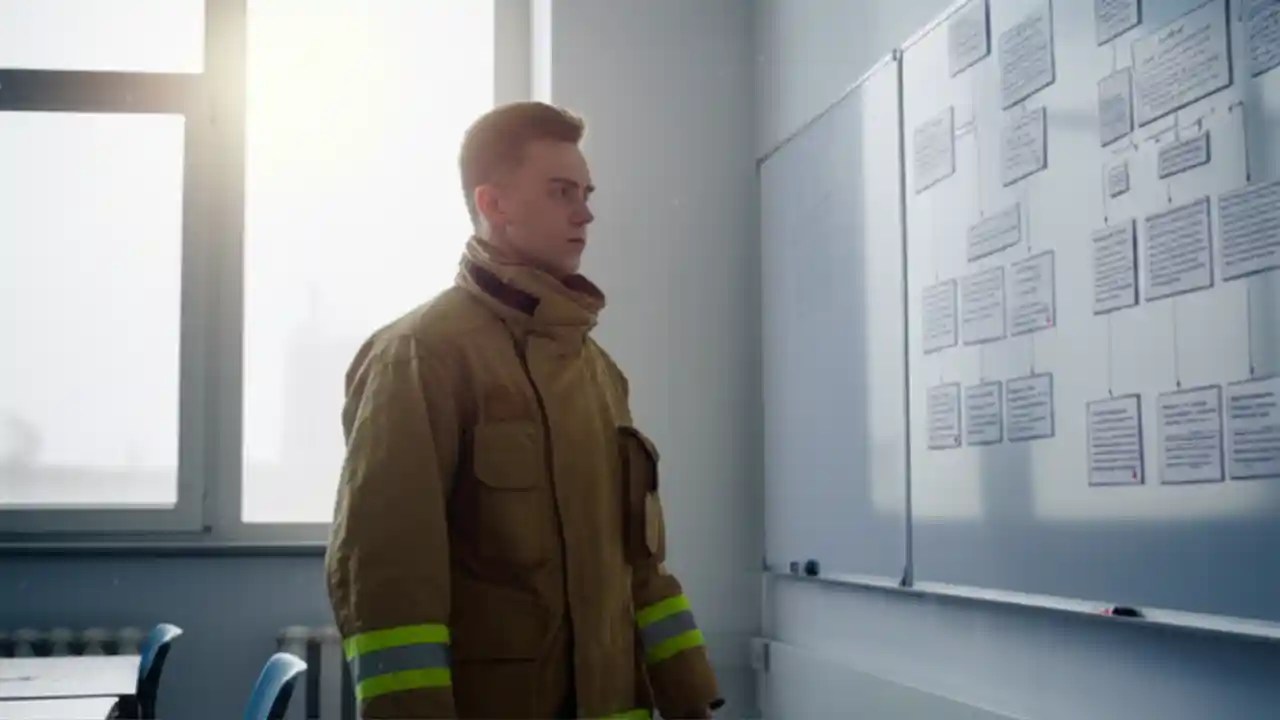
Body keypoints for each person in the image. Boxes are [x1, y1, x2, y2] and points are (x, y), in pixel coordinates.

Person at [325, 101, 723, 719]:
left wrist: (690, 699)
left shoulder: (598, 371)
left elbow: (641, 570)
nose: (586, 213)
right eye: (562, 192)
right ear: (494, 204)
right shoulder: (420, 355)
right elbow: (387, 579)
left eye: (587, 193)